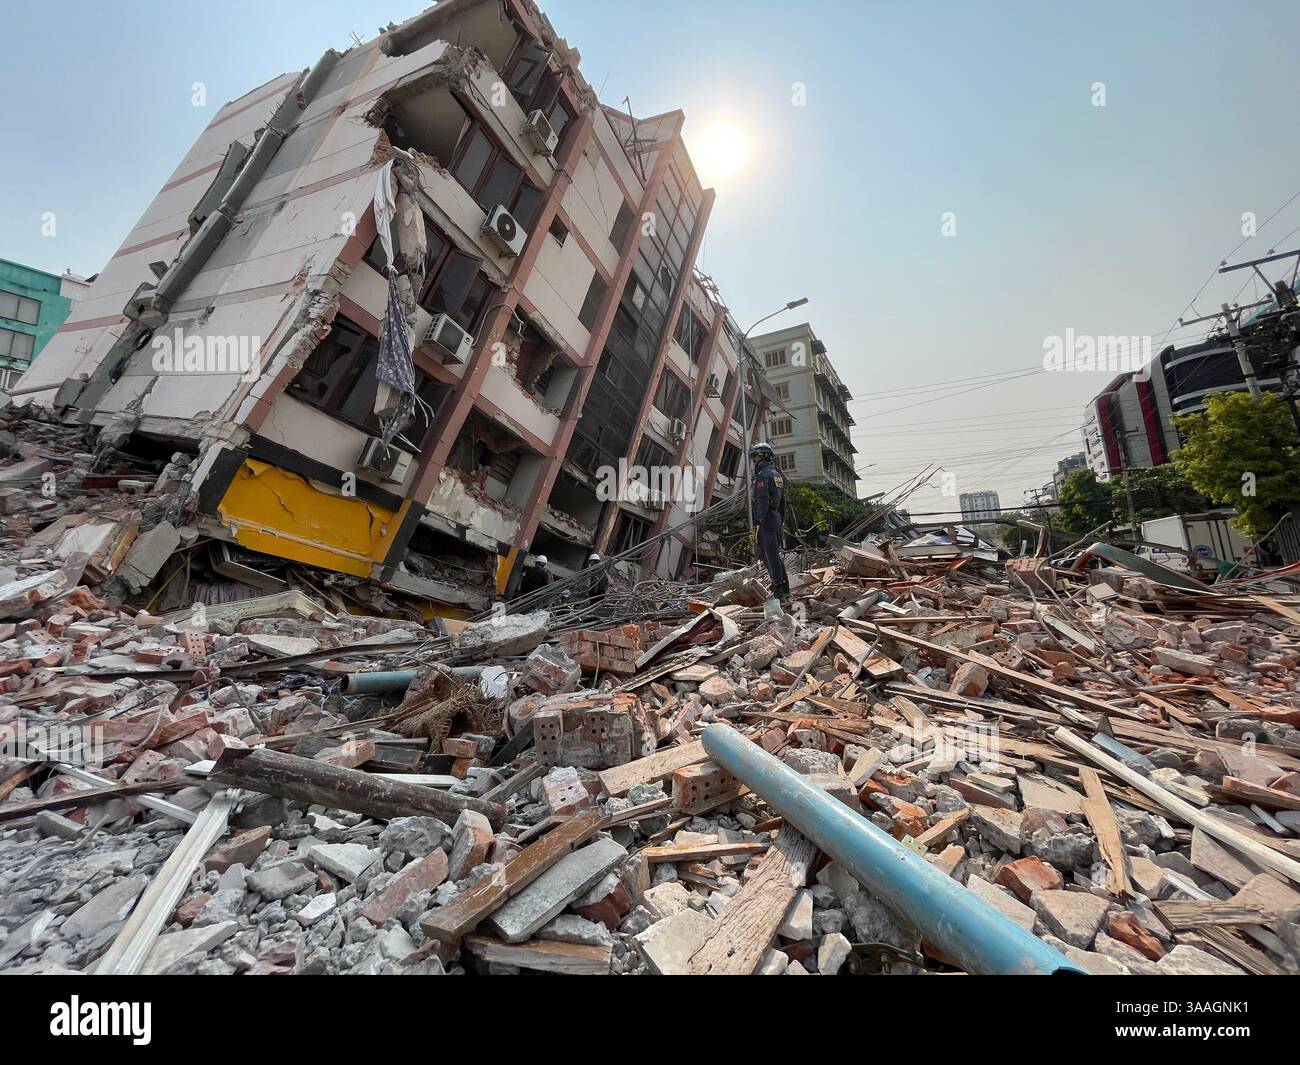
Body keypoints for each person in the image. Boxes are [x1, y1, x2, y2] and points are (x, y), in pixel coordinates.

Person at [750, 442, 790, 602]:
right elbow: (783, 502)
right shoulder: (777, 474)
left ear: (764, 456)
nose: (754, 460)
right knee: (774, 555)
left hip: (766, 519)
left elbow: (762, 499)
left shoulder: (763, 476)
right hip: (776, 519)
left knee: (770, 556)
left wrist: (758, 520)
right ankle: (784, 588)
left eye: (756, 456)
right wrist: (781, 520)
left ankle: (779, 592)